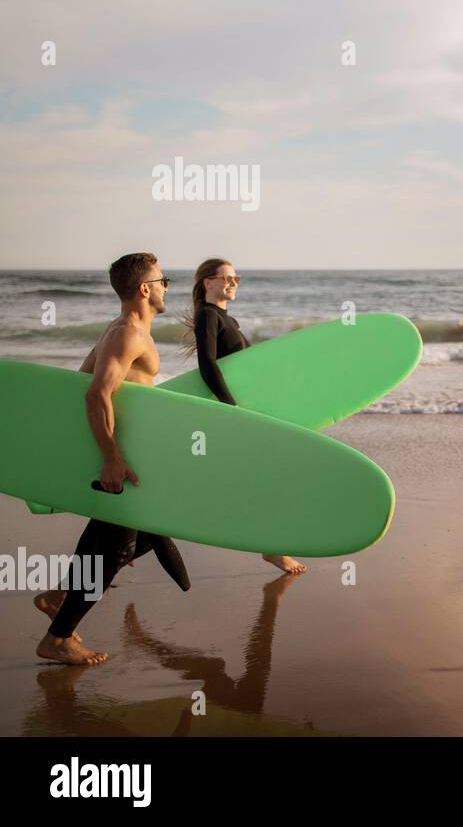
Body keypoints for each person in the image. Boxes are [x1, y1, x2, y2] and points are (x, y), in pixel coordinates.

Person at [35, 253, 191, 666]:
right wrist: (110, 459)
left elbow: (84, 382)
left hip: (118, 453)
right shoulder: (128, 335)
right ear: (144, 288)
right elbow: (95, 393)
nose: (165, 288)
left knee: (108, 537)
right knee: (117, 548)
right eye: (162, 281)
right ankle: (59, 638)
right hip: (115, 456)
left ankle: (61, 595)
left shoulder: (124, 330)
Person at [183, 258, 307, 575]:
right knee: (253, 480)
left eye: (237, 277)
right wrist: (230, 406)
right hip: (234, 416)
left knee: (259, 478)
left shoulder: (227, 319)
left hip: (245, 414)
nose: (234, 282)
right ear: (208, 282)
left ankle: (272, 547)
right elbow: (207, 364)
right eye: (227, 277)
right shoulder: (208, 316)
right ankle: (133, 536)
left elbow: (249, 367)